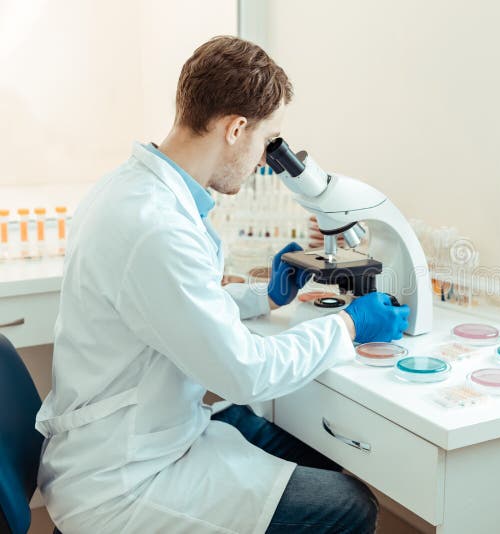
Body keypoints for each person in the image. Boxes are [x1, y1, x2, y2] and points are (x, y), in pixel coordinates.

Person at [34, 35, 409, 533]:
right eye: (266, 142)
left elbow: (168, 307)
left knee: (305, 449)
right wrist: (348, 325)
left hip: (145, 432)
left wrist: (264, 297)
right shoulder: (156, 226)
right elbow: (245, 373)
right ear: (235, 128)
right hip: (125, 478)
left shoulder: (128, 189)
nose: (263, 162)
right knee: (348, 505)